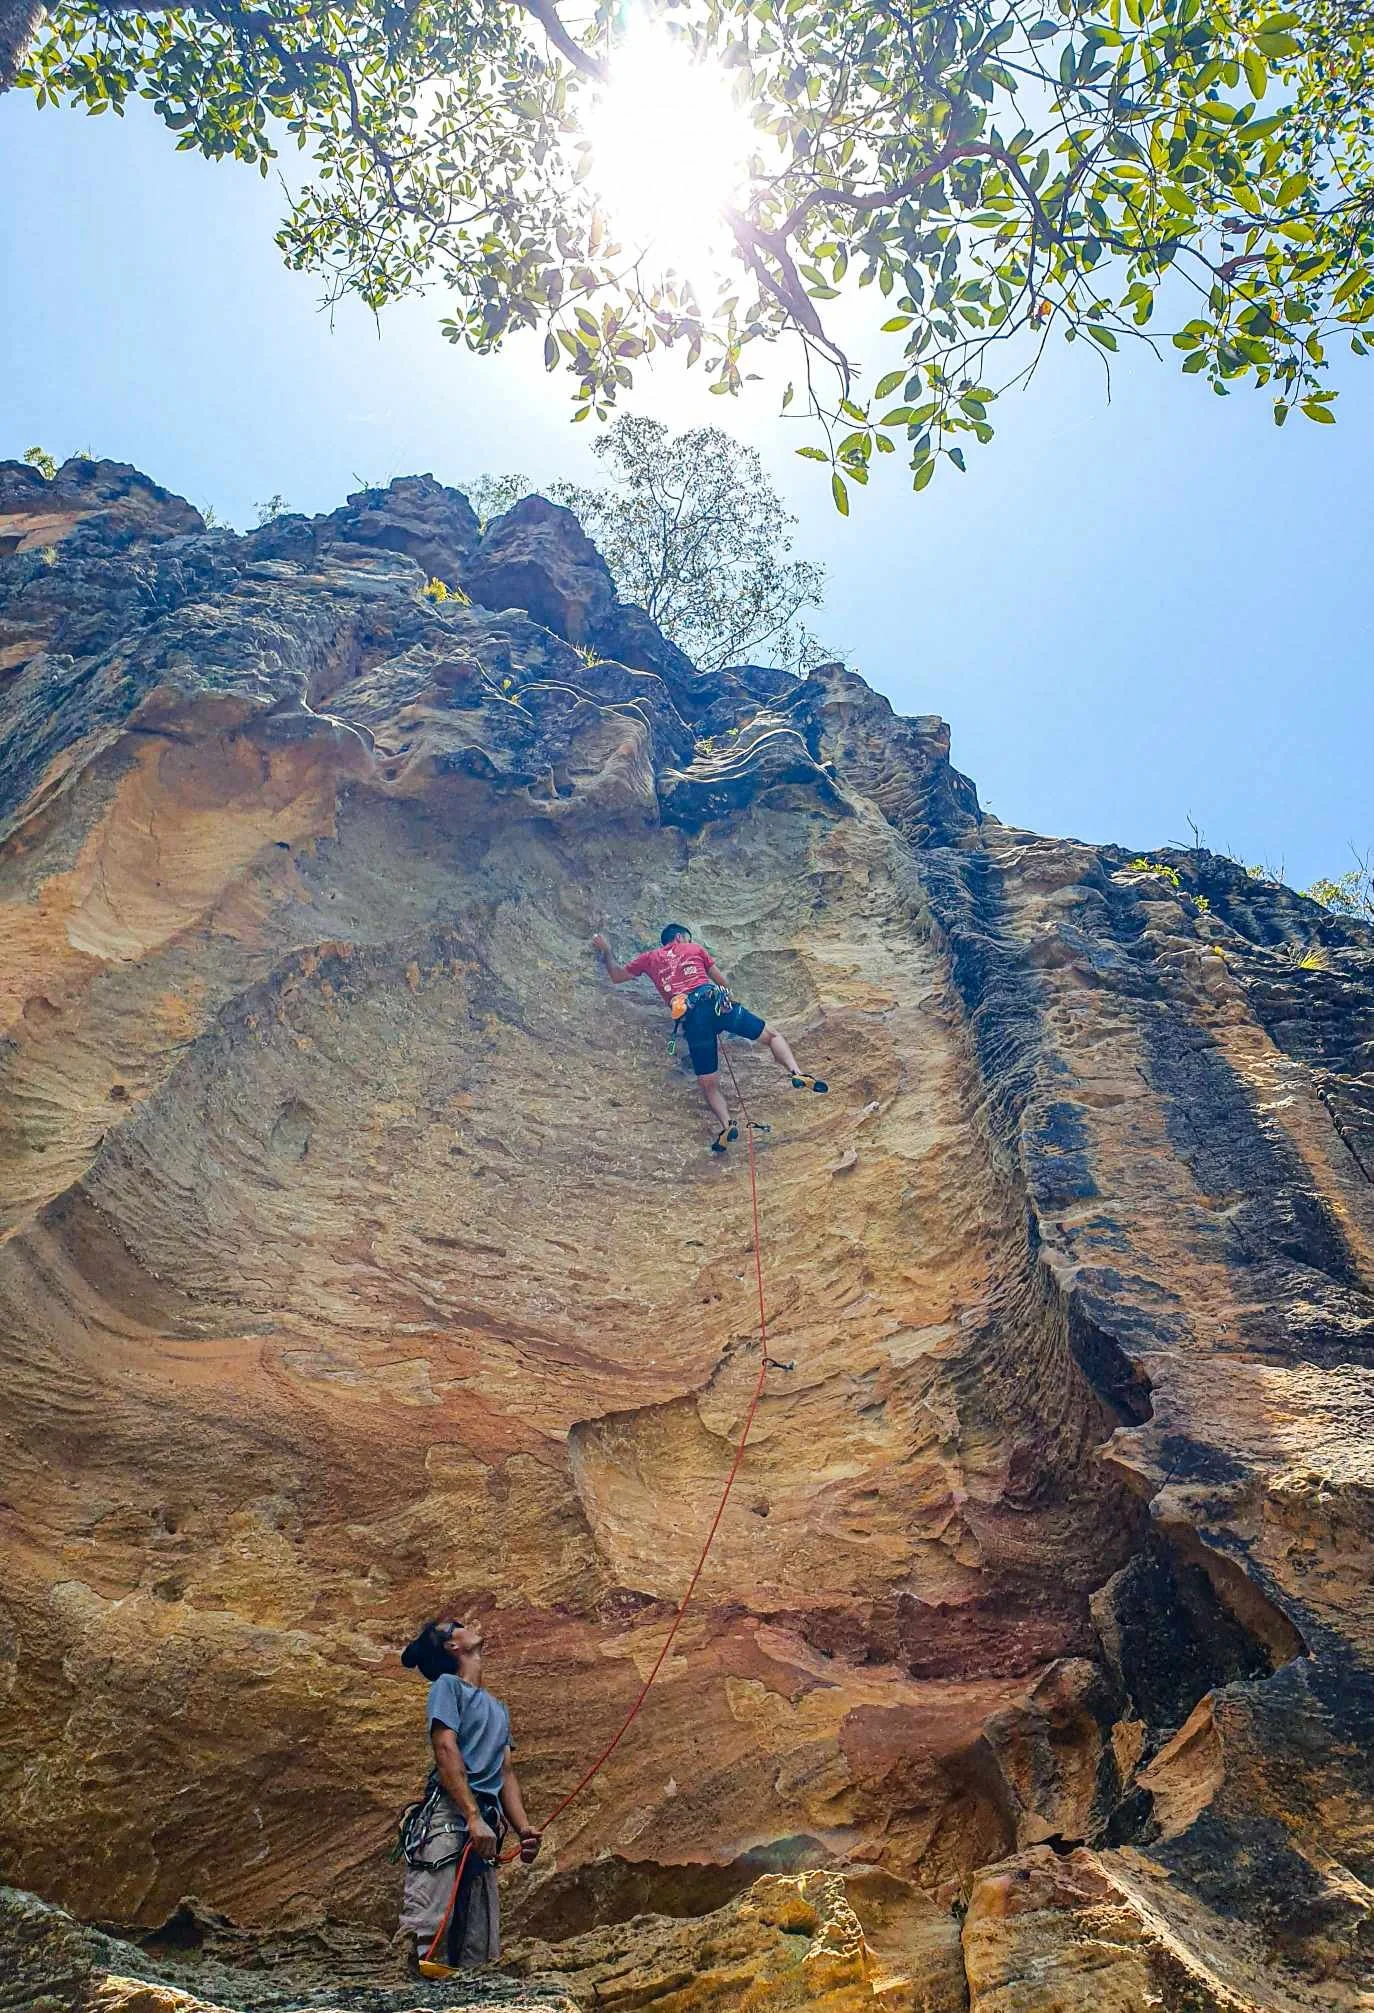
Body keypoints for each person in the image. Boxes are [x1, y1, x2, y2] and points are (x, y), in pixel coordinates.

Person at [592, 923, 827, 1151]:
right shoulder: (694, 949)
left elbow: (616, 976)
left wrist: (607, 950)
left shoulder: (649, 958)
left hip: (692, 1021)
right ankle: (796, 1072)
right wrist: (731, 1005)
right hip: (717, 1006)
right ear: (680, 938)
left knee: (708, 1085)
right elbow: (723, 982)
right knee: (772, 1036)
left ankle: (726, 1125)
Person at [395, 1619, 540, 1976]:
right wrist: (472, 1816)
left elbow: (506, 1772)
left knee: (479, 1953)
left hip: (483, 1831)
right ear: (452, 1646)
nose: (467, 1624)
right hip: (449, 1820)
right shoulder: (447, 1687)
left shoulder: (497, 1707)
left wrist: (523, 1830)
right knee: (425, 1932)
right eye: (456, 1625)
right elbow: (445, 1748)